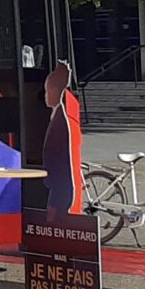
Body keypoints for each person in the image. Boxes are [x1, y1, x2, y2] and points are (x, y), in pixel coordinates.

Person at [41, 61, 84, 214]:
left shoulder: (62, 119)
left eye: (47, 91)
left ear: (55, 91)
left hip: (60, 187)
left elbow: (61, 153)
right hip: (58, 185)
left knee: (54, 216)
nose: (45, 95)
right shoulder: (60, 115)